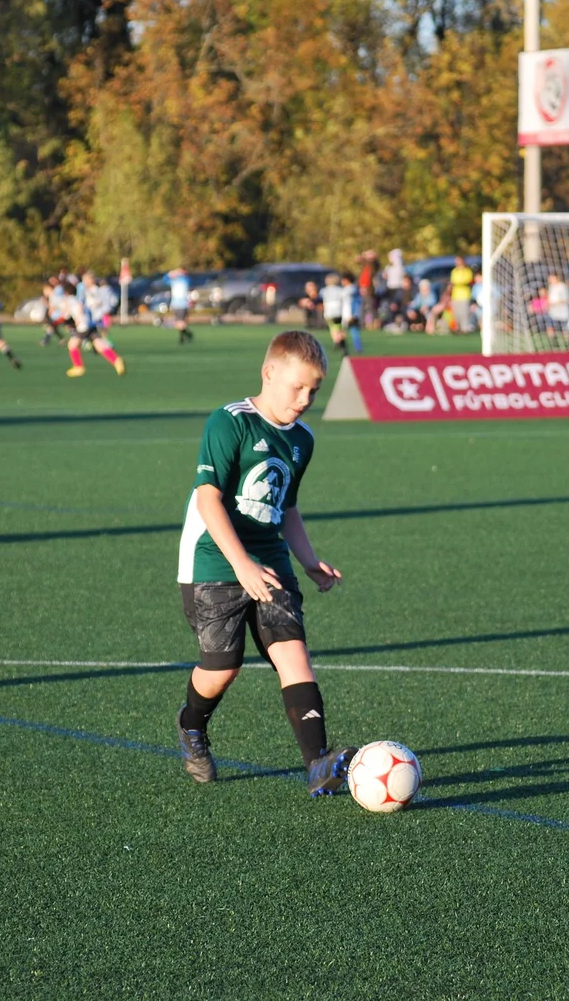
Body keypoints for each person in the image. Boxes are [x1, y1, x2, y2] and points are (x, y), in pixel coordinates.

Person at [174, 329, 353, 795]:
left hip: (271, 560)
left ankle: (317, 763)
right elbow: (208, 500)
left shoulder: (303, 440)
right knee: (222, 667)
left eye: (314, 390)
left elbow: (286, 507)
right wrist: (241, 566)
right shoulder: (229, 422)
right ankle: (192, 724)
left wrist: (309, 561)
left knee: (293, 655)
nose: (305, 398)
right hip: (215, 558)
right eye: (297, 387)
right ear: (269, 372)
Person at [65, 272, 126, 377]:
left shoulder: (88, 291)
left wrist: (79, 317)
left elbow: (83, 305)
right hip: (93, 322)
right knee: (98, 344)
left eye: (85, 280)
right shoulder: (99, 290)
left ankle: (78, 366)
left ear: (90, 280)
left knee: (73, 344)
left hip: (85, 322)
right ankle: (116, 360)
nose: (83, 283)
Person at [319, 272, 348, 356]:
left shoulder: (324, 290)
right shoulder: (340, 290)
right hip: (339, 311)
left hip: (329, 312)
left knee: (333, 328)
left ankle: (337, 341)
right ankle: (341, 342)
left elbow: (322, 299)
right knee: (339, 327)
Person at [449, 256, 475, 334]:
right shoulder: (454, 271)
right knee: (456, 313)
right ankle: (457, 328)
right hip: (455, 295)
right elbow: (453, 282)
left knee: (464, 313)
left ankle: (464, 329)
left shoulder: (467, 271)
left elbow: (467, 281)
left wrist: (458, 283)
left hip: (464, 295)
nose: (457, 262)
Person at [168, 267, 193, 344]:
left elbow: (187, 280)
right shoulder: (174, 280)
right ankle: (188, 334)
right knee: (178, 323)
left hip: (182, 304)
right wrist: (171, 274)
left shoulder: (184, 280)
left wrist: (178, 274)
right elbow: (165, 280)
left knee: (181, 322)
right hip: (175, 303)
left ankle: (182, 338)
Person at [340, 272, 362, 354]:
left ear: (347, 280)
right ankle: (344, 348)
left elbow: (353, 303)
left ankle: (355, 348)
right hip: (348, 314)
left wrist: (352, 314)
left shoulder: (350, 290)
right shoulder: (352, 289)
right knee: (346, 331)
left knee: (353, 331)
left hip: (350, 315)